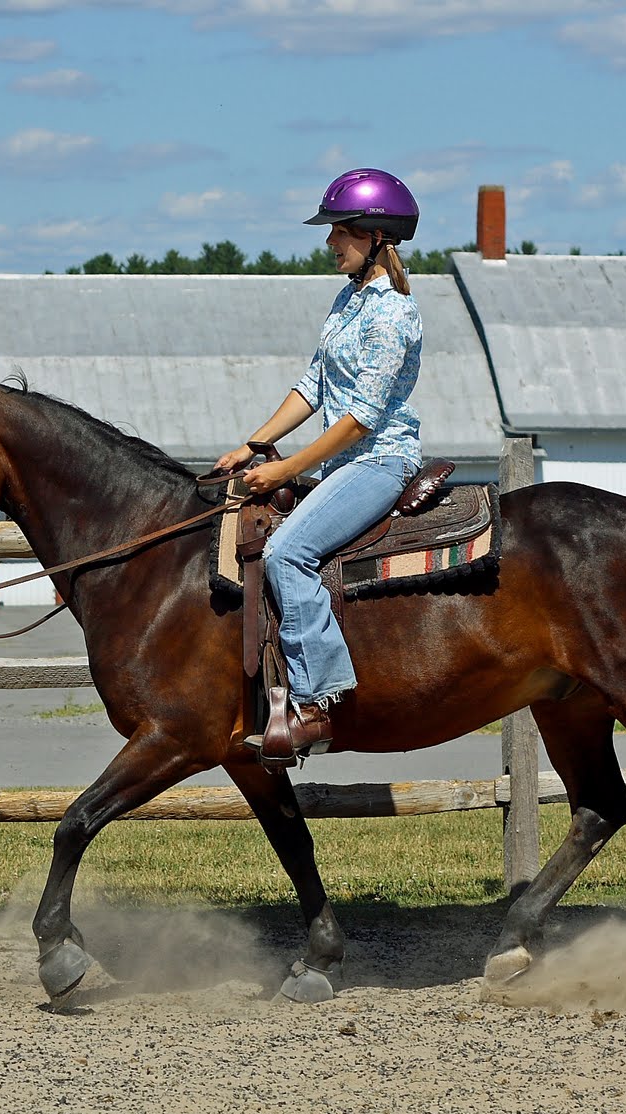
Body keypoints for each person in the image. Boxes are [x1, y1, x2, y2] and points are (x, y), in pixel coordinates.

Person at [213, 168, 423, 759]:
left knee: (288, 551)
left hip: (380, 460)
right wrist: (254, 445)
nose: (330, 243)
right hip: (344, 463)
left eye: (341, 231)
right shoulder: (347, 301)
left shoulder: (392, 315)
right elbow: (312, 386)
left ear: (377, 235)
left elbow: (358, 419)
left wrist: (283, 471)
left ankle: (316, 703)